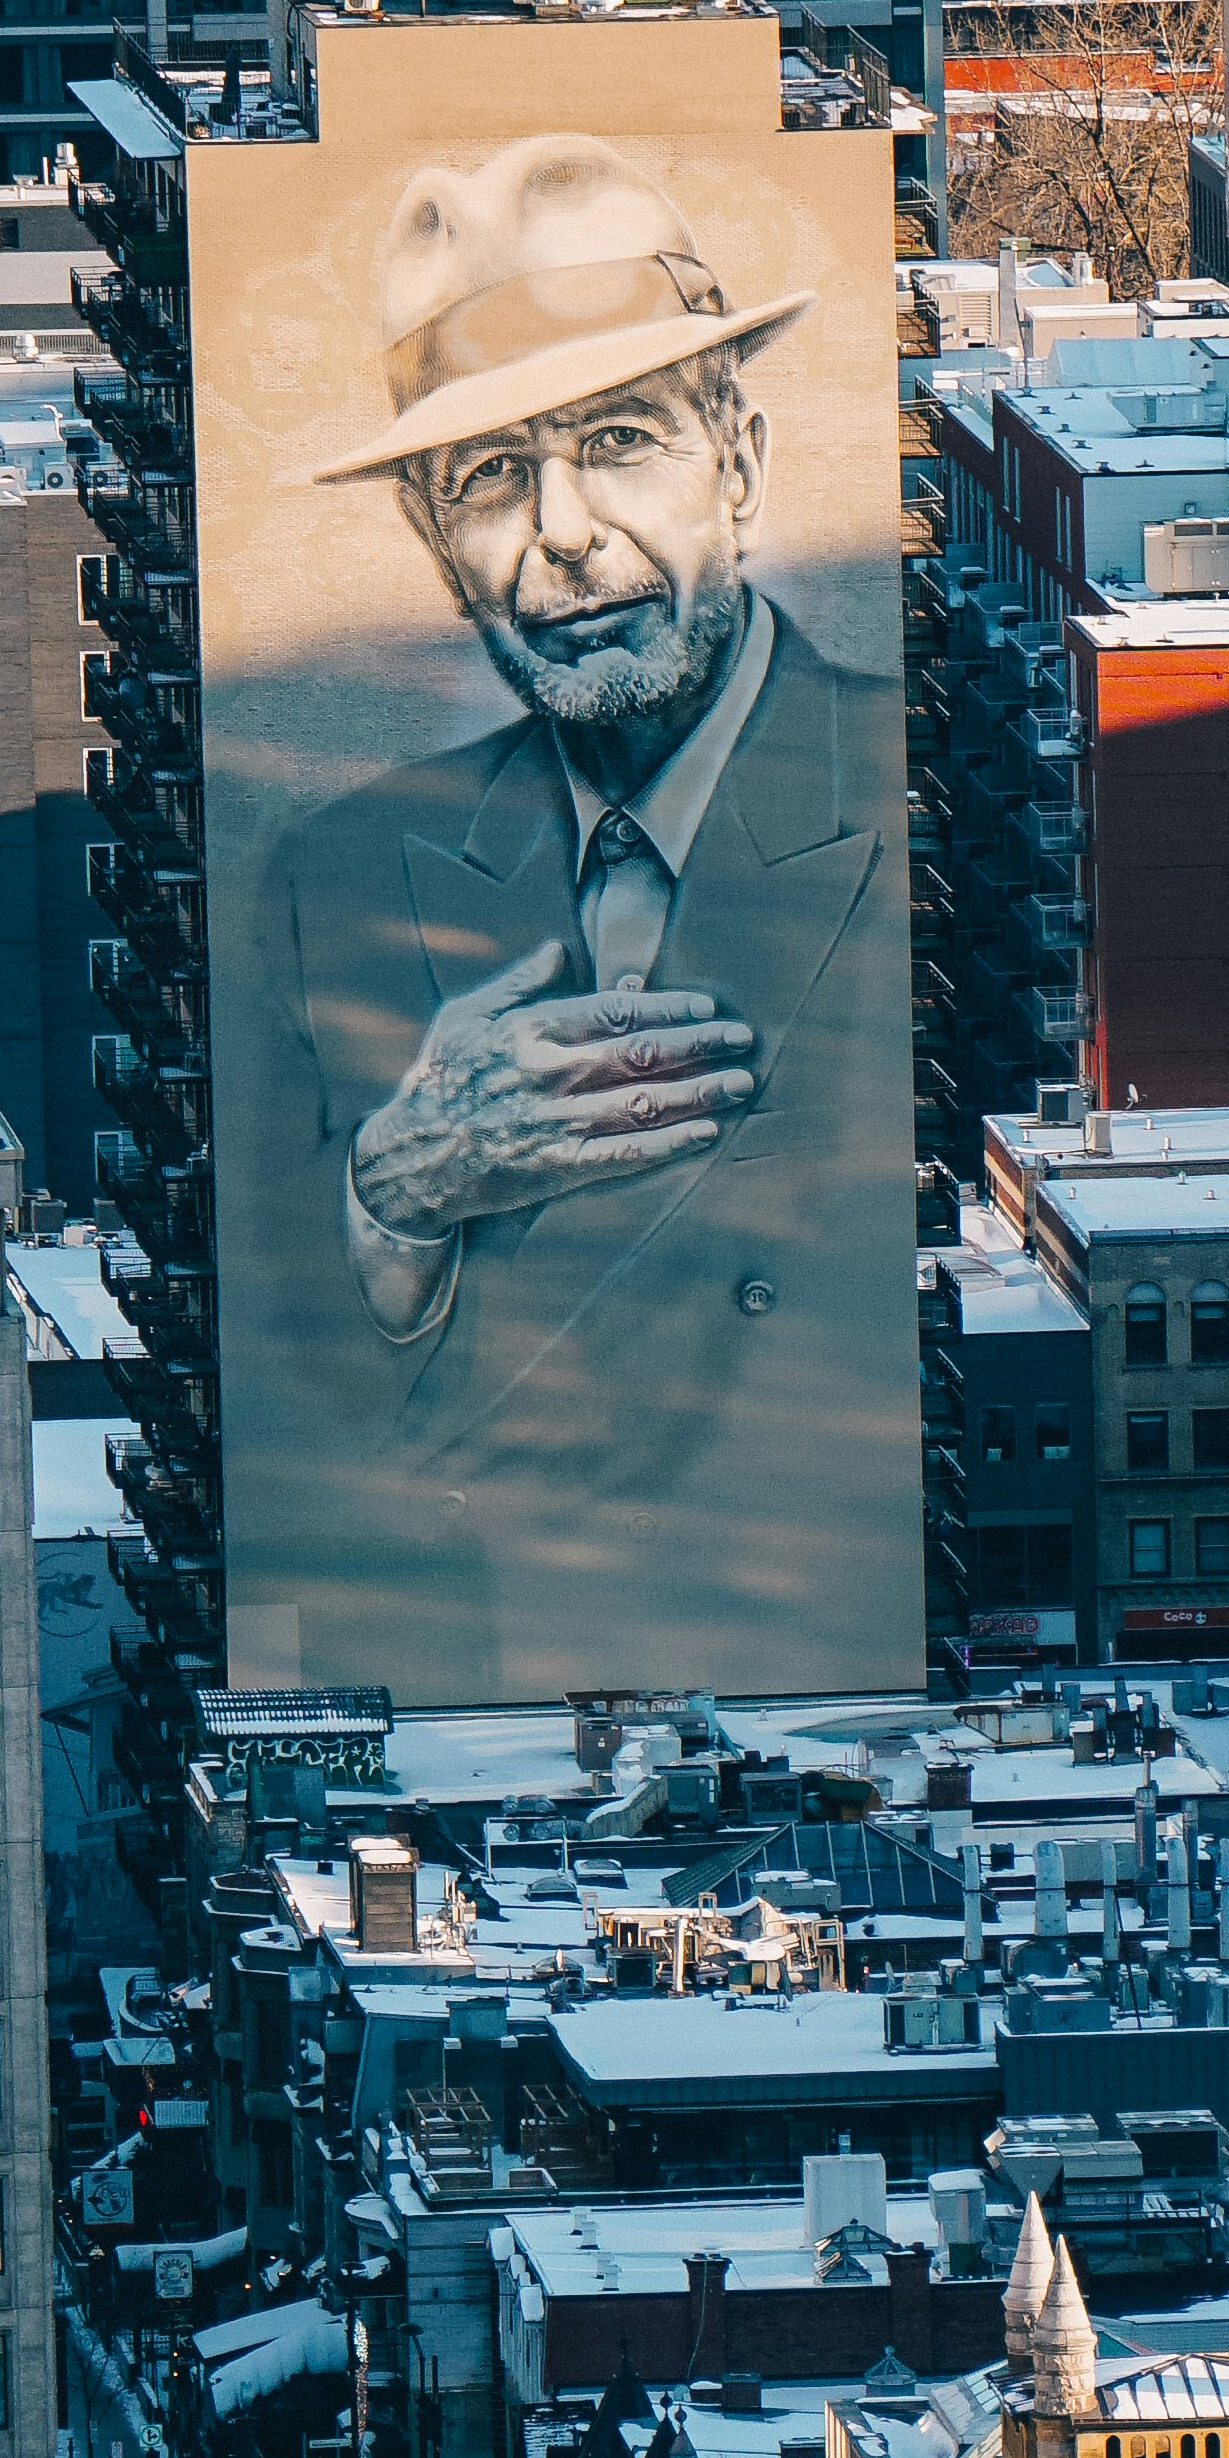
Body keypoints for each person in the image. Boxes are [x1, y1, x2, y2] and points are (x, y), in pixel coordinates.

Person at [238, 126, 915, 1690]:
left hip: (803, 1665)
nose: (560, 532)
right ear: (433, 539)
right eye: (491, 477)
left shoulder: (908, 791)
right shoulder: (332, 878)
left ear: (737, 467)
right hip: (478, 1660)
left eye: (620, 441)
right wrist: (394, 1197)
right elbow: (289, 1387)